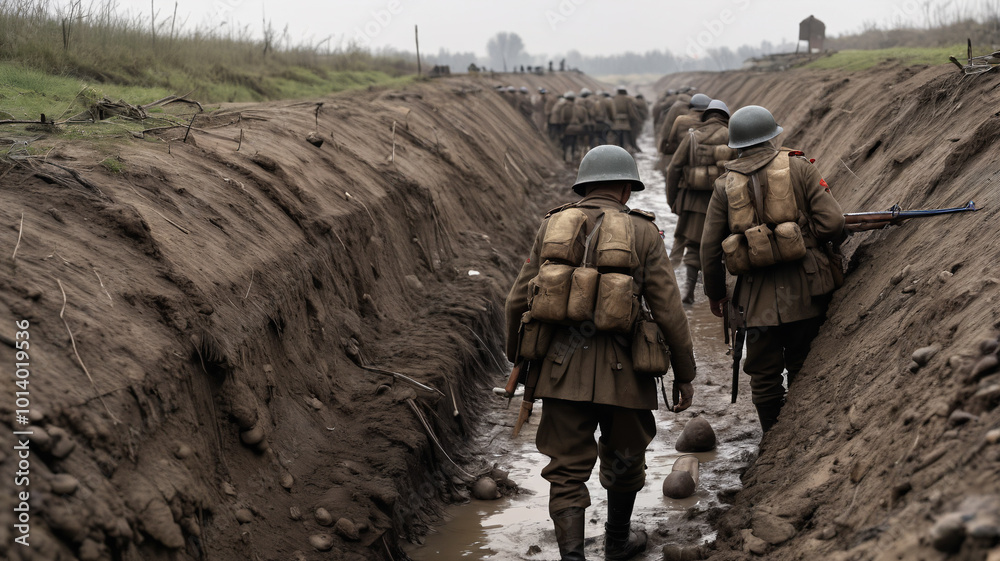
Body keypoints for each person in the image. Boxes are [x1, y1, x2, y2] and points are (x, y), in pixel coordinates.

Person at [505, 145, 697, 561]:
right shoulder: (645, 232)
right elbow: (668, 311)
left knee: (566, 468)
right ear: (627, 187)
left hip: (559, 368)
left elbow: (517, 301)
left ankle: (572, 558)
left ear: (583, 185)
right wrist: (685, 372)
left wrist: (517, 358)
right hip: (627, 370)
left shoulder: (552, 226)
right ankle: (616, 543)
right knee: (627, 458)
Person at [700, 105, 845, 433]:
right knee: (803, 366)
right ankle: (801, 436)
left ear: (735, 144)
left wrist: (715, 295)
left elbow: (709, 249)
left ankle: (772, 440)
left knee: (764, 376)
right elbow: (833, 223)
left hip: (755, 302)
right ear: (772, 135)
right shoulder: (800, 166)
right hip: (809, 290)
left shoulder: (725, 185)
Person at [666, 99, 736, 304]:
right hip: (726, 201)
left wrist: (674, 201)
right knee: (726, 245)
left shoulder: (692, 137)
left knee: (694, 247)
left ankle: (688, 291)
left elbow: (673, 169)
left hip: (693, 201)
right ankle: (721, 293)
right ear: (725, 117)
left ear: (706, 117)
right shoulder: (732, 137)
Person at [610, 86, 640, 152]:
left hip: (616, 122)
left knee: (618, 138)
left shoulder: (613, 99)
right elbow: (631, 110)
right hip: (625, 121)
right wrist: (635, 118)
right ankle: (625, 151)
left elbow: (611, 111)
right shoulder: (627, 99)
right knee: (626, 138)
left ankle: (617, 151)